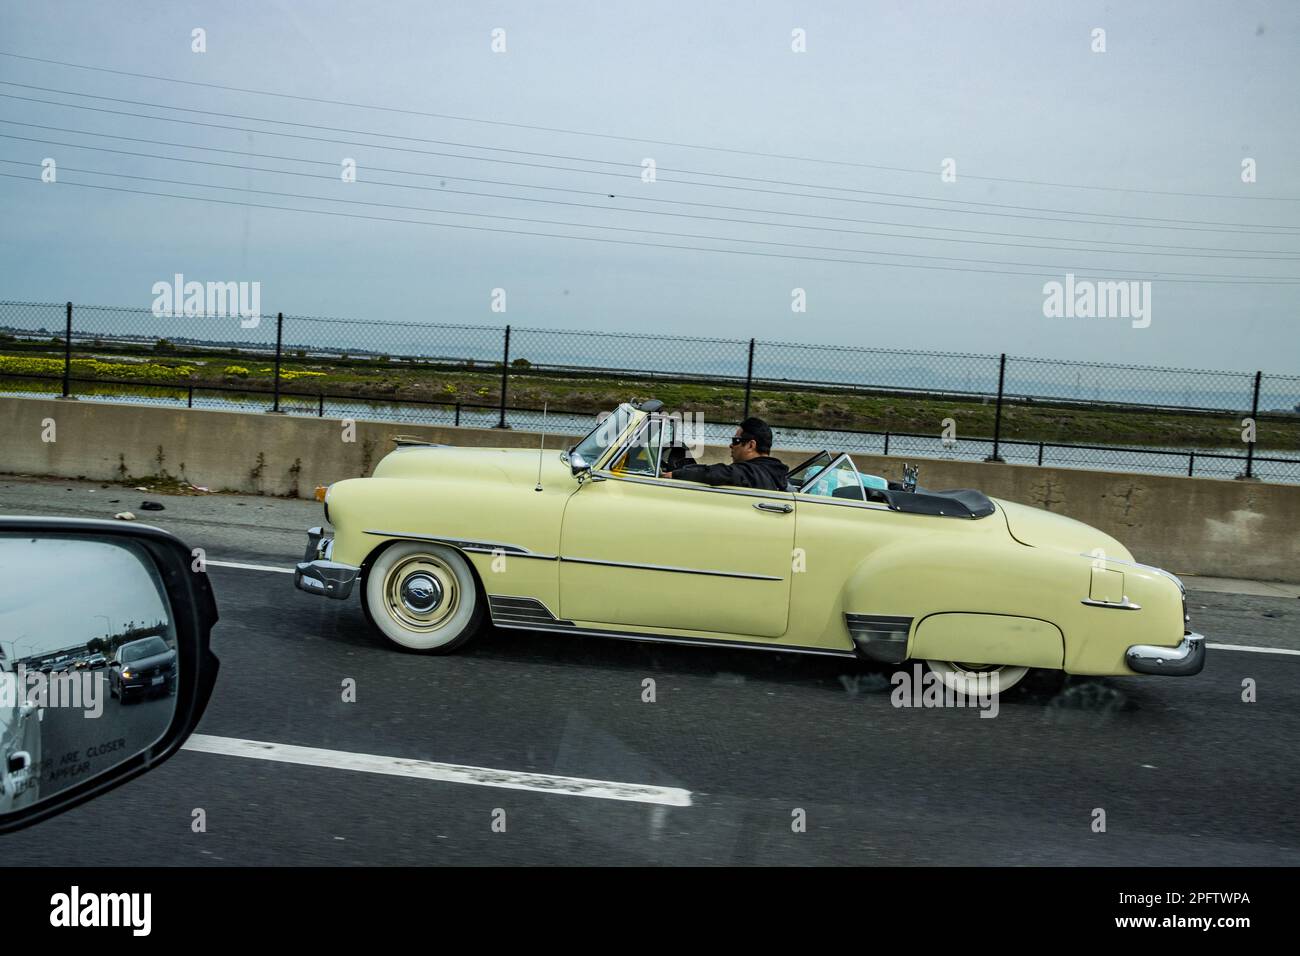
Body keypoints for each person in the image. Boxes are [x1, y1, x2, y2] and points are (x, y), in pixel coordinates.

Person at [661, 417, 789, 490]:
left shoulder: (751, 472)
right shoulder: (771, 471)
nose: (731, 445)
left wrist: (675, 474)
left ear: (751, 445)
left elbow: (721, 473)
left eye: (736, 441)